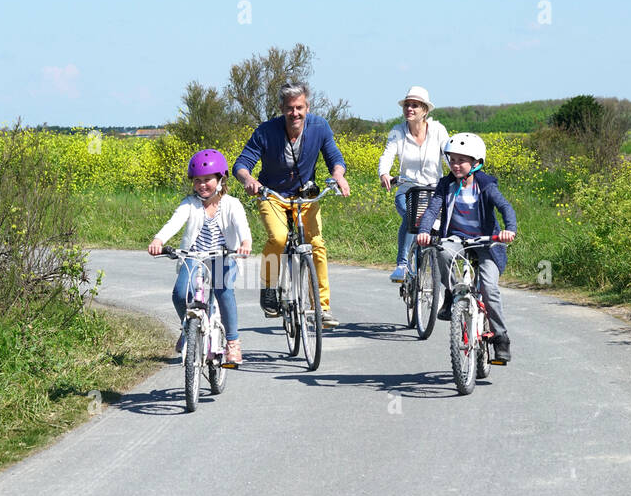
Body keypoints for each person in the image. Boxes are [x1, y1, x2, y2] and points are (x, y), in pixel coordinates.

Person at [233, 82, 351, 327]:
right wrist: (249, 179)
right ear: (281, 109)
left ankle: (322, 307)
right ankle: (269, 288)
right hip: (272, 195)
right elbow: (241, 163)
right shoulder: (266, 131)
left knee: (316, 243)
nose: (294, 113)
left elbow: (334, 157)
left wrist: (338, 174)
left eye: (299, 107)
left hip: (305, 196)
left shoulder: (320, 127)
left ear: (307, 107)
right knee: (277, 238)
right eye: (289, 108)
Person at [416, 132, 516, 364]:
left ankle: (501, 338)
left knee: (490, 289)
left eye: (461, 160)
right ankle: (453, 293)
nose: (455, 165)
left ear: (476, 163)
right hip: (457, 238)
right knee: (442, 250)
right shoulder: (447, 184)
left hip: (487, 241)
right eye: (452, 160)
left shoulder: (486, 185)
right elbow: (433, 210)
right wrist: (424, 230)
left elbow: (504, 207)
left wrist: (508, 229)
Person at [148, 149, 252, 367]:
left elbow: (242, 226)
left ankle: (232, 342)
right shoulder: (190, 204)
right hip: (193, 256)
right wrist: (159, 239)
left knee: (223, 291)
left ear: (221, 179)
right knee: (179, 294)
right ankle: (188, 328)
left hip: (223, 256)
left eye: (207, 180)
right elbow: (174, 222)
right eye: (197, 181)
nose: (202, 185)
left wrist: (245, 243)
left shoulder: (232, 204)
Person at [378, 85, 450, 283]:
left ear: (424, 110)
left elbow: (448, 153)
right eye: (407, 105)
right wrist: (384, 172)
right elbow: (388, 154)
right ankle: (402, 264)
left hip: (434, 190)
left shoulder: (438, 130)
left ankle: (436, 266)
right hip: (408, 190)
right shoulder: (397, 131)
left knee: (437, 227)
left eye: (415, 106)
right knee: (412, 218)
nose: (409, 109)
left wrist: (457, 174)